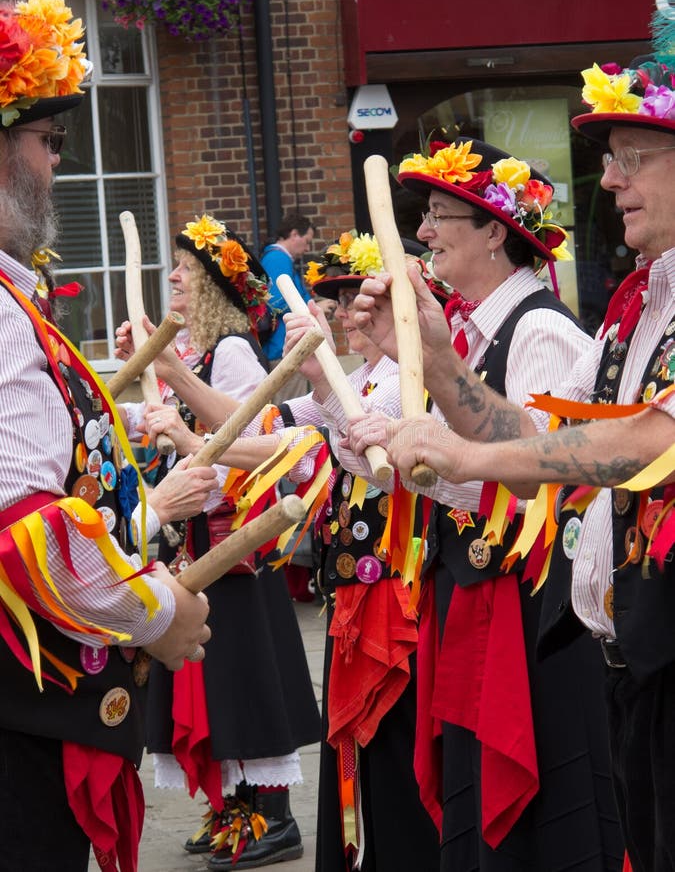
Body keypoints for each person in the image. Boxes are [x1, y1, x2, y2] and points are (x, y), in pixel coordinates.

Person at [351, 53, 675, 872]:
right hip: (634, 658)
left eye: (631, 158)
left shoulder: (581, 317)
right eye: (608, 161)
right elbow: (529, 434)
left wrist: (459, 448)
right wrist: (434, 356)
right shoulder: (637, 306)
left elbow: (645, 441)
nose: (608, 181)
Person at [0, 0, 213, 872]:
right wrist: (157, 615)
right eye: (48, 142)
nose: (58, 162)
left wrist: (127, 423)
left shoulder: (18, 301)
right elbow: (24, 527)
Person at [116, 214, 321, 870]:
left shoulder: (229, 352)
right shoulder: (202, 352)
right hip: (196, 539)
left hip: (237, 544)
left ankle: (273, 817)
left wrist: (173, 387)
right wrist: (147, 379)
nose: (173, 277)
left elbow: (246, 445)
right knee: (216, 685)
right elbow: (171, 426)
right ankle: (232, 812)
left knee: (246, 680)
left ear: (210, 282)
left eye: (184, 268)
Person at [283, 234, 441, 871]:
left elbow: (375, 461)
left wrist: (323, 382)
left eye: (361, 299)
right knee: (361, 764)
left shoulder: (413, 380)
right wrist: (183, 413)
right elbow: (278, 443)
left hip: (397, 602)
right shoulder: (365, 382)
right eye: (344, 301)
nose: (350, 313)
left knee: (394, 760)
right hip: (352, 597)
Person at [261, 213, 315, 401]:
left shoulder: (276, 258)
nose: (307, 248)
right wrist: (310, 310)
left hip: (284, 345)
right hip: (283, 346)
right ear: (294, 234)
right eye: (307, 241)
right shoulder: (277, 258)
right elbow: (276, 301)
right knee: (291, 407)